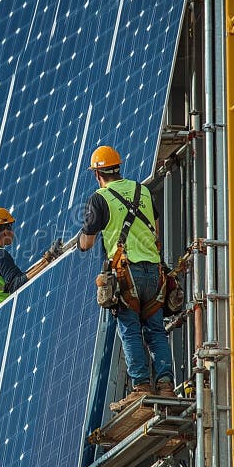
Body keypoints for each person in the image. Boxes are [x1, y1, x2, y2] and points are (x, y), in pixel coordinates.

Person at [77, 145, 176, 411]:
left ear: (97, 175)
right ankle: (166, 386)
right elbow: (156, 231)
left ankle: (141, 386)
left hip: (126, 274)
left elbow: (86, 243)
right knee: (156, 331)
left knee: (130, 329)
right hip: (155, 273)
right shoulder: (142, 190)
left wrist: (80, 240)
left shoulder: (100, 198)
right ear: (118, 169)